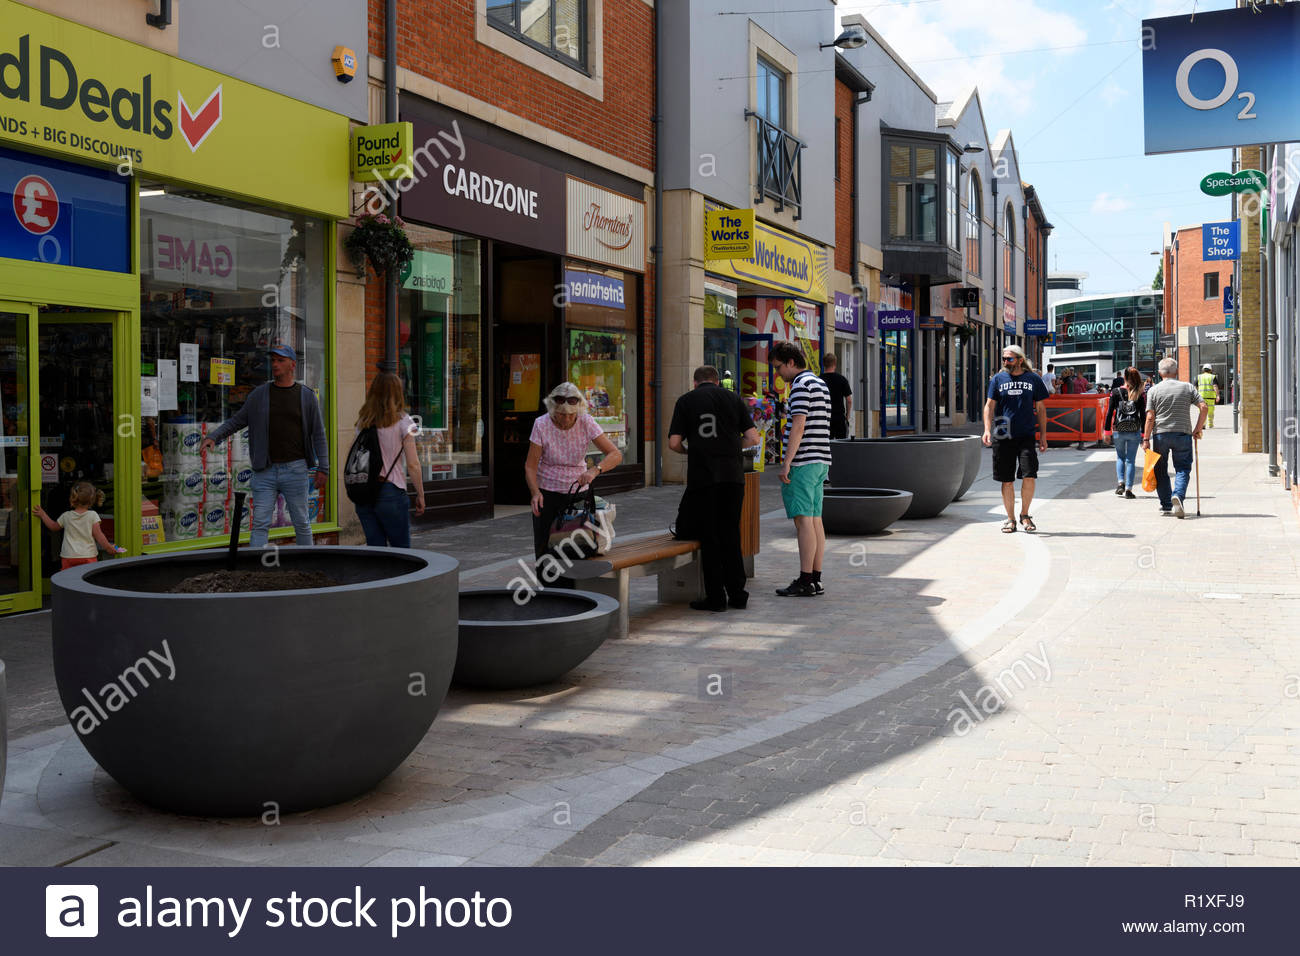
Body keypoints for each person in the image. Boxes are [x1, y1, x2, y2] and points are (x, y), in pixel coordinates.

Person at [202, 344, 329, 548]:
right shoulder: (259, 395)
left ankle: (307, 569)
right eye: (273, 360)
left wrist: (324, 467)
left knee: (302, 523)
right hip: (265, 471)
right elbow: (237, 421)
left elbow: (319, 435)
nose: (275, 364)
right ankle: (256, 571)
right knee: (260, 524)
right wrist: (214, 436)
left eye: (280, 360)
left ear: (292, 365)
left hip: (295, 469)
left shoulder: (305, 396)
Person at [668, 366, 761, 611]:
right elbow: (753, 438)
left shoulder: (686, 401)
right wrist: (732, 446)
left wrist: (692, 450)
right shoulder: (734, 399)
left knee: (709, 536)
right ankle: (738, 594)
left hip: (703, 478)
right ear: (717, 381)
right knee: (731, 533)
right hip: (733, 477)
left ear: (695, 382)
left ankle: (716, 598)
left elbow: (674, 443)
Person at [525, 382, 623, 564]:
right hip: (548, 492)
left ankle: (575, 588)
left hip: (577, 492)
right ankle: (549, 590)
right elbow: (530, 466)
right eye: (561, 414)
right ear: (552, 409)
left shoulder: (586, 421)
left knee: (577, 546)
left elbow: (615, 454)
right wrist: (535, 492)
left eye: (571, 415)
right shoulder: (541, 424)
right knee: (546, 548)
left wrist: (595, 470)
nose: (566, 419)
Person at [771, 341, 831, 596]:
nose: (777, 374)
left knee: (803, 521)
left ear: (791, 362)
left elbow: (798, 426)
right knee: (815, 519)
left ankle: (805, 580)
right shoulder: (820, 384)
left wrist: (786, 463)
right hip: (821, 460)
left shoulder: (799, 386)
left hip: (803, 461)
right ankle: (815, 578)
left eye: (778, 367)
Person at [352, 372, 426, 547]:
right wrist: (421, 495)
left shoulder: (363, 421)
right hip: (390, 490)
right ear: (398, 392)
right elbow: (413, 464)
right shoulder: (403, 422)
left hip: (364, 492)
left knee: (376, 549)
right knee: (402, 552)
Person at [983, 344, 1049, 533]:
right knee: (1007, 479)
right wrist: (987, 430)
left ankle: (1025, 515)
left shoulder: (1033, 379)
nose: (1005, 362)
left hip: (1026, 435)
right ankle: (1010, 518)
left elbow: (1041, 408)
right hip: (1003, 436)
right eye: (1003, 358)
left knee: (1029, 475)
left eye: (1009, 358)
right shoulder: (997, 379)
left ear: (1020, 359)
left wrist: (1043, 436)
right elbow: (989, 406)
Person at [1143, 358, 1207, 518]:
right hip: (1183, 434)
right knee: (1183, 468)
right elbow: (1204, 407)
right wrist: (1197, 429)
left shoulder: (1153, 390)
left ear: (1159, 373)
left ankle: (1166, 504)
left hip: (1160, 436)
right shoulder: (1187, 387)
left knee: (1160, 470)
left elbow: (1150, 417)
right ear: (1176, 371)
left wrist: (1146, 439)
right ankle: (1178, 495)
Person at [33, 481, 121, 570]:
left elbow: (53, 527)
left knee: (68, 581)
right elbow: (99, 535)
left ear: (72, 499)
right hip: (88, 555)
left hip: (68, 556)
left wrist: (43, 515)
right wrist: (108, 548)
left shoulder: (66, 516)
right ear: (92, 500)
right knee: (86, 581)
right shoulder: (92, 515)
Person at [1104, 366, 1147, 499]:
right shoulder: (1140, 393)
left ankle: (1120, 483)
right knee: (1130, 460)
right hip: (1134, 430)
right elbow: (1143, 415)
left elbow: (1110, 412)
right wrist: (1144, 435)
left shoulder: (1116, 392)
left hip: (1119, 429)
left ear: (1124, 377)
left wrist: (1107, 432)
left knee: (1120, 457)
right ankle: (1129, 489)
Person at [819, 353, 854, 440]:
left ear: (823, 364)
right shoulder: (842, 379)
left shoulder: (819, 380)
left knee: (826, 443)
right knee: (842, 443)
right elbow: (849, 400)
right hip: (839, 417)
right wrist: (847, 415)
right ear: (835, 363)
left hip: (824, 417)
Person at [1197, 363, 1219, 428]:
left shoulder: (1199, 376)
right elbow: (1215, 386)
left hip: (1201, 397)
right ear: (1210, 370)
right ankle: (1210, 425)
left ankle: (1203, 424)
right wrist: (1217, 395)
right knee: (1210, 411)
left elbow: (1195, 387)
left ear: (1203, 370)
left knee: (1202, 411)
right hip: (1210, 397)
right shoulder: (1213, 377)